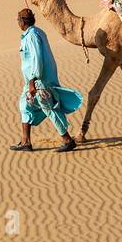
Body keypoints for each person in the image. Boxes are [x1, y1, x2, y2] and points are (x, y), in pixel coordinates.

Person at [11, 8, 82, 152]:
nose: (17, 22)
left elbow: (37, 58)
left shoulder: (32, 36)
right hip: (33, 81)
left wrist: (33, 80)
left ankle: (67, 140)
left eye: (18, 19)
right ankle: (26, 142)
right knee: (25, 106)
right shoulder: (34, 33)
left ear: (23, 22)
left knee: (49, 108)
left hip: (39, 81)